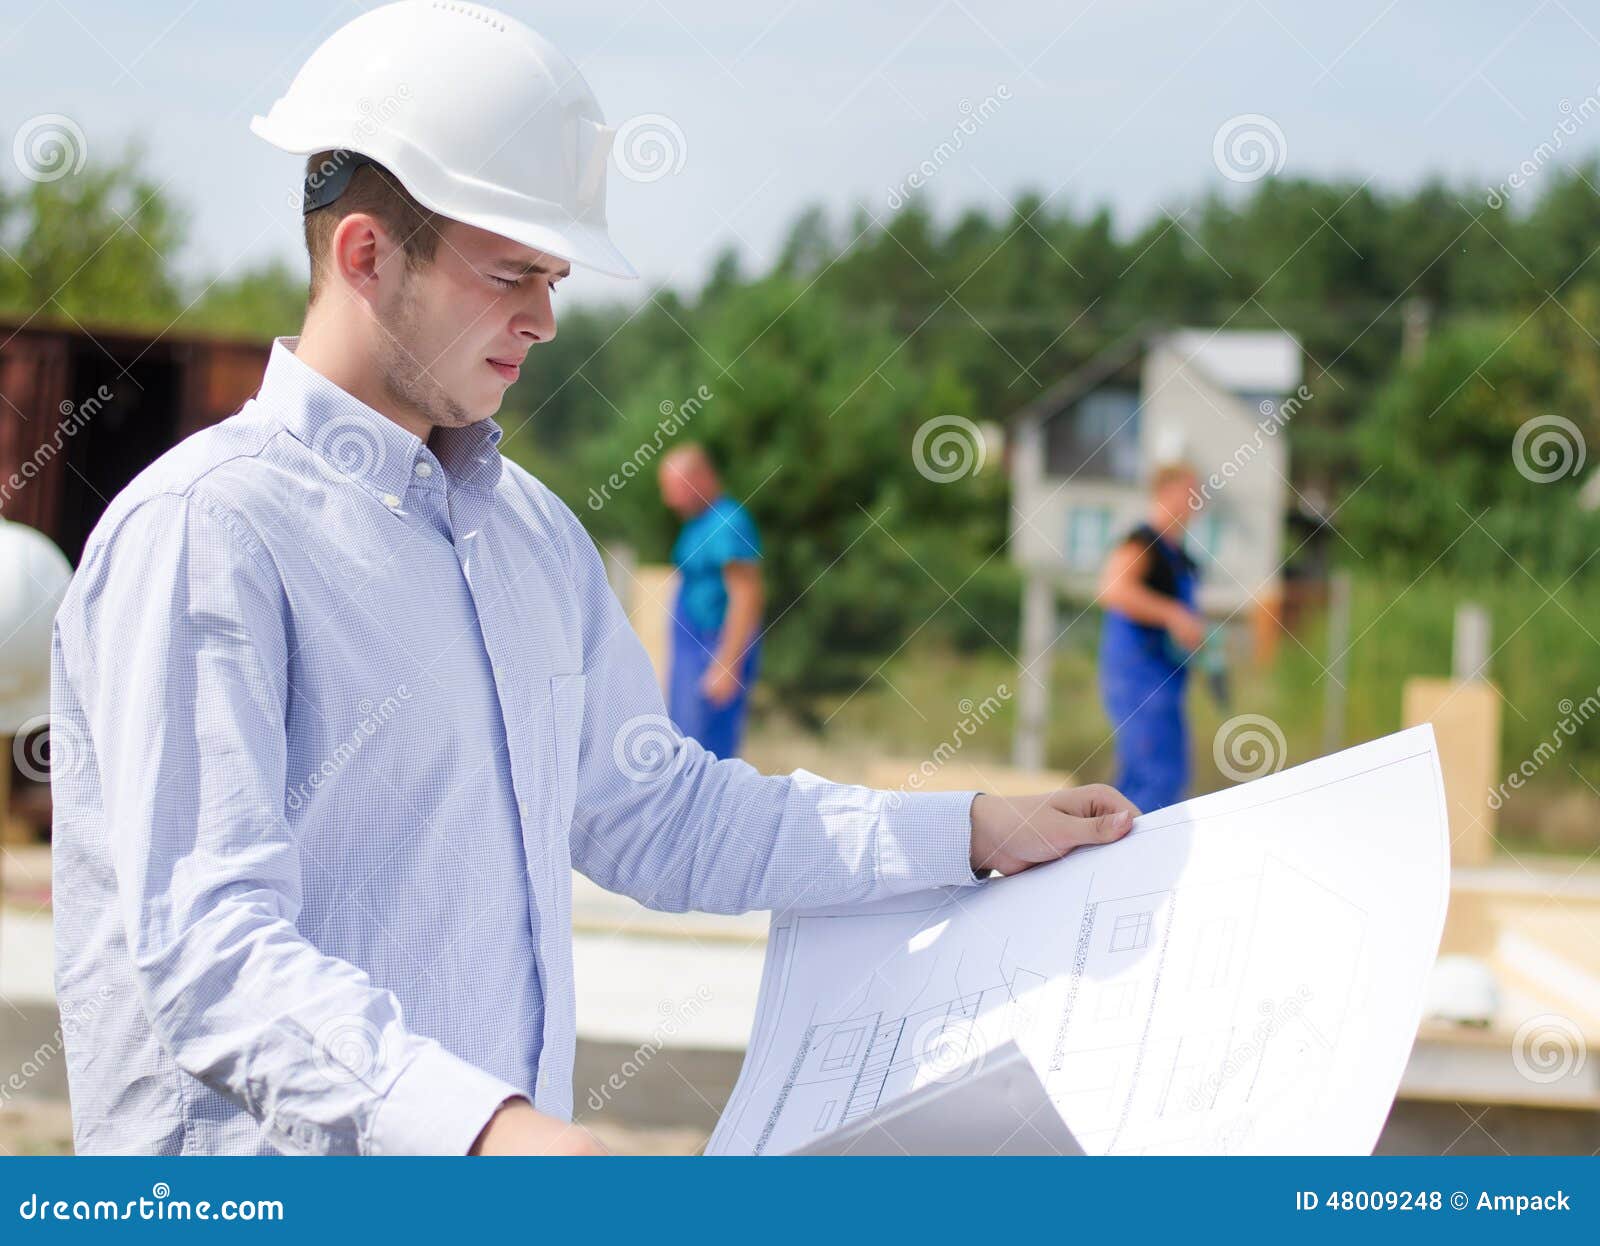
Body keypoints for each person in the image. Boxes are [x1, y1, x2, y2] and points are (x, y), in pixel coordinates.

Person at [49, 2, 1139, 1158]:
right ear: (366, 254)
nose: (545, 320)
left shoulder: (529, 536)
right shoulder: (207, 533)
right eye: (512, 273)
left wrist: (967, 829)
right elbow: (210, 951)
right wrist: (487, 1129)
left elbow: (661, 814)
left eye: (555, 277)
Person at [1096, 463, 1208, 814]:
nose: (1198, 501)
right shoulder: (1144, 543)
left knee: (1163, 777)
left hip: (1166, 682)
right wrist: (1174, 615)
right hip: (1139, 680)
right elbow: (1113, 588)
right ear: (1165, 492)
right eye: (1190, 491)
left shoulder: (1180, 558)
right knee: (1153, 779)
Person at [657, 445, 763, 758]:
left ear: (702, 478)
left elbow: (747, 595)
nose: (669, 501)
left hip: (714, 648)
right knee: (683, 748)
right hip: (691, 650)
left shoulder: (727, 522)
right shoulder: (696, 523)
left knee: (707, 757)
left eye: (675, 489)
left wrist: (727, 664)